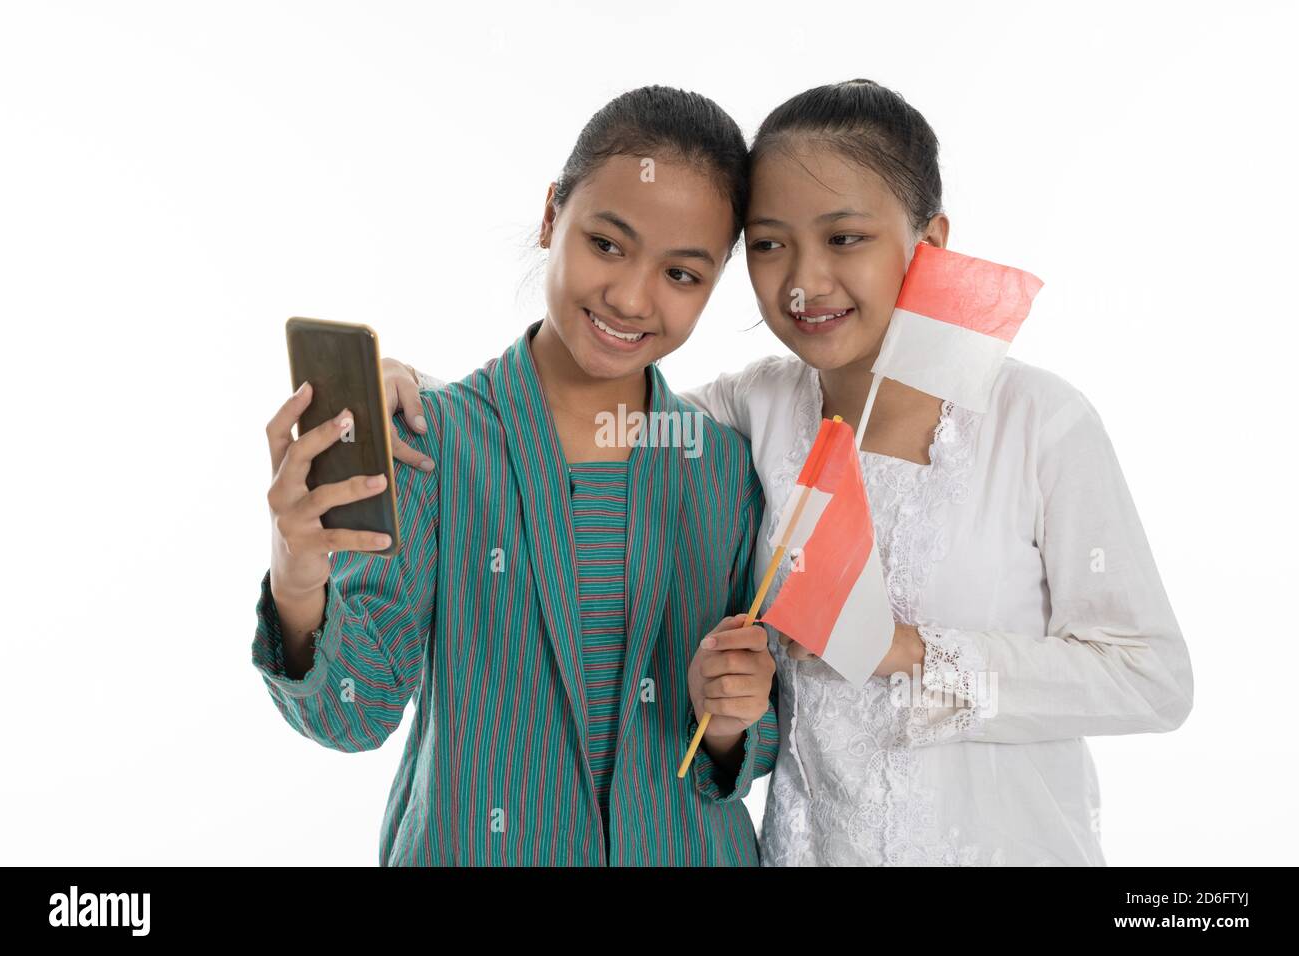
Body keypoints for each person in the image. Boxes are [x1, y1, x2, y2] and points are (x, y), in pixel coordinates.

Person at [388, 79, 1194, 865]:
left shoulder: (1038, 423)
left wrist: (905, 652)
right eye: (771, 244)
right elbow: (592, 400)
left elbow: (1151, 680)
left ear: (930, 243)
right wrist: (418, 396)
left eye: (845, 239)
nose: (804, 283)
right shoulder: (754, 411)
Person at [253, 86, 779, 866]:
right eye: (606, 243)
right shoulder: (430, 444)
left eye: (682, 275)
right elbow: (351, 716)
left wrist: (734, 720)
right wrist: (298, 581)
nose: (631, 297)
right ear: (550, 216)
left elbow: (745, 746)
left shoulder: (723, 468)